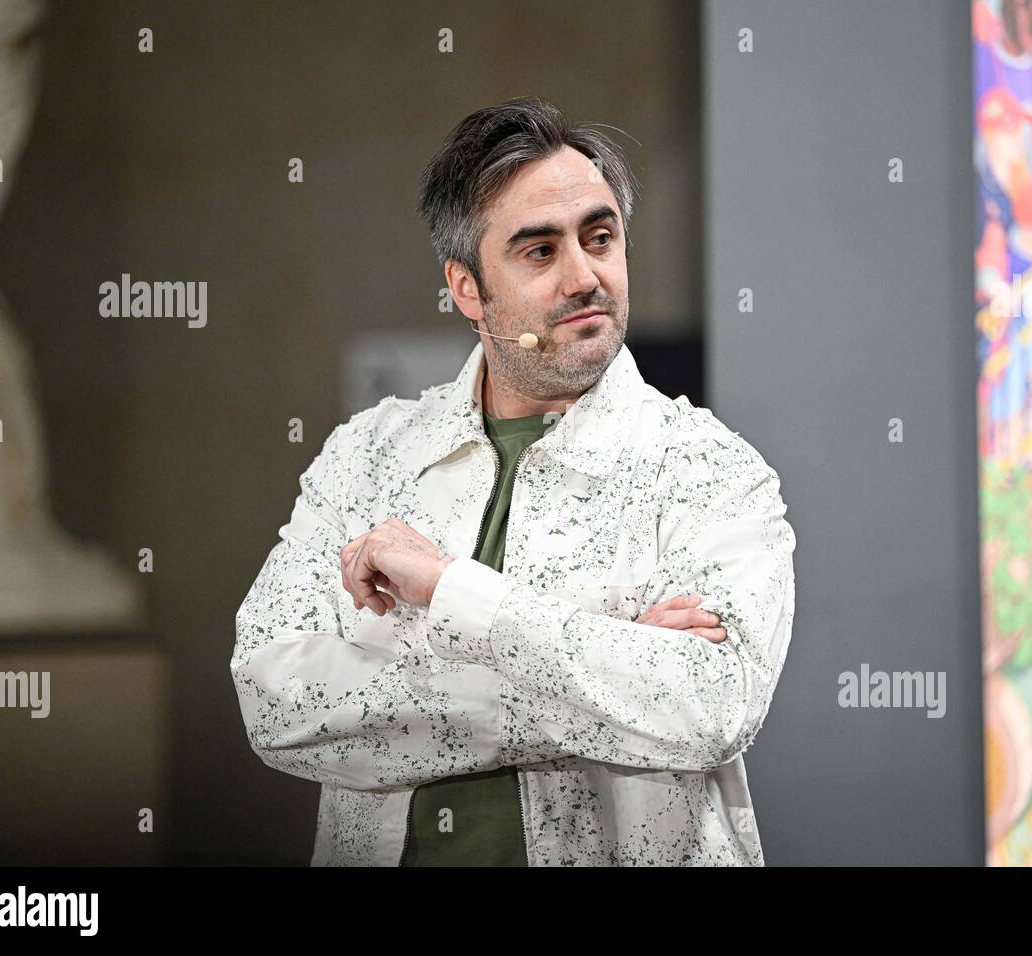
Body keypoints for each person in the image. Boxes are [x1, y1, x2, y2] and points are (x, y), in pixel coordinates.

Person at [230, 97, 797, 866]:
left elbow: (712, 703)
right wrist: (605, 667)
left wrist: (449, 593)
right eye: (539, 252)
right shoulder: (367, 456)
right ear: (467, 289)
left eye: (600, 238)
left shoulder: (709, 467)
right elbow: (275, 698)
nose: (585, 276)